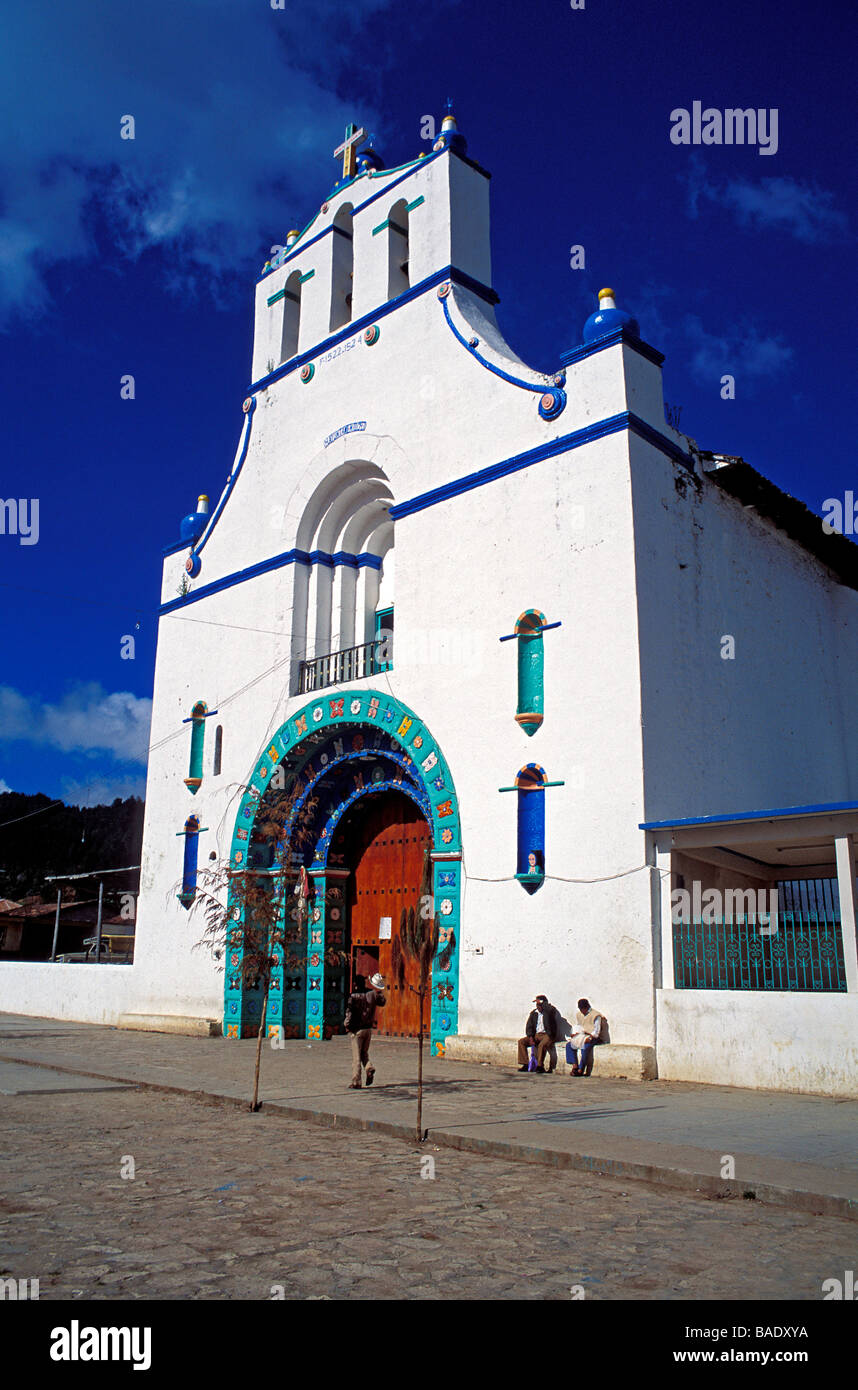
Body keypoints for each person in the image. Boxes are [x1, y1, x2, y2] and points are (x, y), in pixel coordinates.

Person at [345, 972, 387, 1089]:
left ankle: (356, 1081)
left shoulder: (353, 996)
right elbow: (382, 1002)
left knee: (356, 1056)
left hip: (356, 1029)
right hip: (368, 1029)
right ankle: (369, 1068)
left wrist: (346, 1025)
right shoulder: (372, 994)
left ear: (355, 984)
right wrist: (379, 989)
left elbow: (349, 1012)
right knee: (364, 1052)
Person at [517, 993, 561, 1073]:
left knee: (541, 1045)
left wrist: (543, 1004)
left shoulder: (549, 1011)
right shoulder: (534, 1013)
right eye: (537, 1005)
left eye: (539, 1004)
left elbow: (549, 1011)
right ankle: (525, 1064)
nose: (538, 1006)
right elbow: (529, 1026)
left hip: (547, 1035)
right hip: (536, 1035)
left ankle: (540, 1066)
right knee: (521, 1042)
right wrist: (530, 1037)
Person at [567, 997, 605, 1076]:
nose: (581, 1011)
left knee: (585, 1047)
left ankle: (581, 1069)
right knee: (569, 1045)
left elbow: (597, 1031)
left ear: (586, 1007)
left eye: (582, 1009)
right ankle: (575, 1066)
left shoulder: (596, 1015)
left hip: (592, 1037)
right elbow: (579, 1026)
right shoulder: (579, 1014)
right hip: (582, 1035)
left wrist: (589, 1038)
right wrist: (575, 1034)